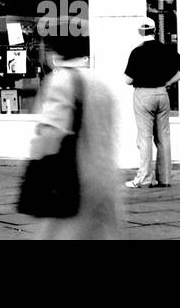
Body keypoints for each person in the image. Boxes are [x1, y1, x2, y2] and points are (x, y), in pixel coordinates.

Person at [27, 23, 120, 239]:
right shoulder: (100, 84)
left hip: (71, 184)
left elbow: (50, 136)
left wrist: (36, 168)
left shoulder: (61, 81)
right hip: (103, 183)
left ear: (57, 49)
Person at [123, 20, 180, 188]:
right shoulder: (166, 49)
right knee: (163, 137)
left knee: (145, 137)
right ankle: (165, 179)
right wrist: (169, 82)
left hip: (143, 96)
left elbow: (127, 80)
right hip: (162, 93)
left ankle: (144, 179)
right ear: (155, 30)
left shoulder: (136, 52)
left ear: (140, 31)